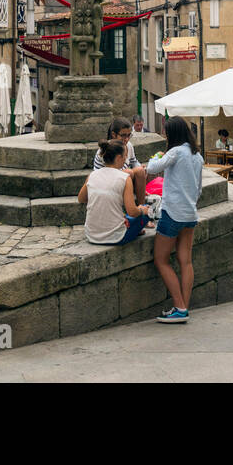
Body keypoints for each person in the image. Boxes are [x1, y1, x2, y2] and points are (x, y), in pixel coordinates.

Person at [144, 116, 204, 323]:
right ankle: (183, 307)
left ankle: (179, 307)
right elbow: (199, 189)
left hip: (172, 213)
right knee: (185, 261)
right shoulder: (197, 156)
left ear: (173, 134)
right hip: (190, 214)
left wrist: (156, 155)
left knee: (161, 260)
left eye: (166, 133)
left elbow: (152, 168)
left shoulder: (175, 152)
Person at [78, 140, 152, 245]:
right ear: (118, 157)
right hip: (116, 237)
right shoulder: (125, 178)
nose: (126, 159)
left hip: (91, 235)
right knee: (147, 210)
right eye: (125, 156)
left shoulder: (92, 175)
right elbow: (132, 211)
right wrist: (142, 210)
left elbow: (81, 199)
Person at [91, 117, 147, 201]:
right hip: (106, 182)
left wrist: (140, 167)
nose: (127, 139)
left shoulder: (129, 146)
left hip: (121, 178)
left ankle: (141, 204)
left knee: (140, 171)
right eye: (123, 135)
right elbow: (108, 172)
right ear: (114, 135)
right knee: (129, 172)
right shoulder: (108, 149)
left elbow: (133, 161)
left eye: (129, 135)